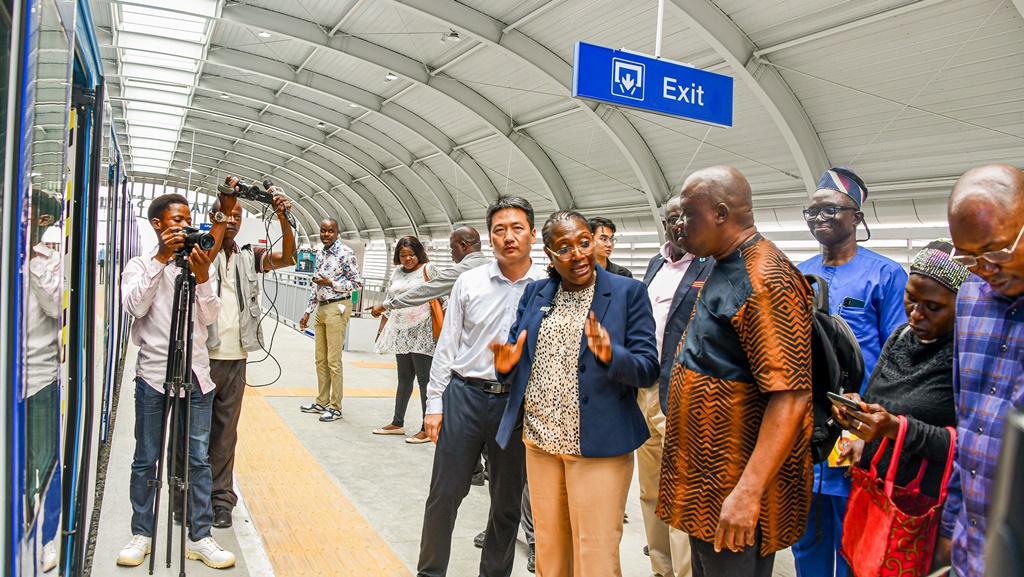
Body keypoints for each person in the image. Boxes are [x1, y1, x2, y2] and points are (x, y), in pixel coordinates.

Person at [657, 166, 814, 577]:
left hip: (732, 485)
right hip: (706, 481)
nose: (680, 224)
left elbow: (791, 394)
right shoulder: (725, 263)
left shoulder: (766, 279)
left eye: (688, 214)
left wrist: (747, 493)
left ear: (722, 213)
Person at [493, 209, 659, 576]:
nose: (579, 254)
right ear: (550, 256)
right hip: (541, 443)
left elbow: (648, 369)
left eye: (584, 242)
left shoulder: (628, 292)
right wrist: (505, 364)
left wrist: (612, 354)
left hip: (598, 446)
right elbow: (515, 352)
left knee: (595, 553)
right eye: (564, 248)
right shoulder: (537, 292)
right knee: (550, 550)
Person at [417, 196, 546, 577]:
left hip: (516, 407)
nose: (509, 237)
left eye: (517, 228)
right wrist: (434, 404)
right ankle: (430, 572)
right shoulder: (469, 282)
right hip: (465, 397)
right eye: (499, 230)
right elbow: (448, 344)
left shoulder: (546, 287)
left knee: (505, 504)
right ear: (490, 239)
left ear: (533, 235)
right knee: (444, 495)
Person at [793, 166, 909, 577]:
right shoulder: (798, 273)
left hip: (857, 421)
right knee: (805, 531)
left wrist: (873, 415)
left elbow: (898, 354)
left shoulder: (885, 274)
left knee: (851, 530)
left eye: (831, 210)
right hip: (804, 420)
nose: (819, 218)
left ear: (857, 217)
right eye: (811, 212)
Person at [832, 240, 968, 567]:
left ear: (963, 305)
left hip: (919, 506)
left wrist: (896, 428)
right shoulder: (900, 337)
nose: (916, 313)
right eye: (911, 298)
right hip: (874, 489)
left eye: (932, 307)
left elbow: (966, 444)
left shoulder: (963, 357)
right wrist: (858, 410)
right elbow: (880, 399)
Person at [117, 193, 234, 569]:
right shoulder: (139, 264)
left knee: (198, 460)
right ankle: (143, 534)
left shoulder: (202, 261)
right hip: (152, 375)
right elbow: (134, 306)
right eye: (176, 221)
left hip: (196, 375)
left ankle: (200, 538)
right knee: (145, 459)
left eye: (187, 220)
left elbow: (210, 314)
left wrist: (201, 279)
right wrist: (160, 261)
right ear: (158, 225)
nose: (184, 227)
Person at [941, 164, 1024, 577]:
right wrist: (951, 521)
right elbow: (967, 421)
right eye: (969, 257)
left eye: (996, 251)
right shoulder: (971, 295)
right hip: (971, 550)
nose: (985, 269)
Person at [199, 180, 296, 529]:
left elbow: (287, 257)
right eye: (229, 214)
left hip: (235, 357)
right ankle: (191, 495)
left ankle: (221, 499)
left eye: (239, 216)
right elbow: (203, 267)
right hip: (200, 358)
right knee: (194, 432)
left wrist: (285, 218)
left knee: (225, 434)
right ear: (216, 215)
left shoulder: (248, 256)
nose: (235, 220)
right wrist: (222, 214)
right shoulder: (200, 251)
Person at [638, 196, 714, 577]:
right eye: (672, 219)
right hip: (644, 389)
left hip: (680, 392)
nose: (679, 226)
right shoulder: (655, 263)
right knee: (650, 488)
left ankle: (686, 572)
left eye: (685, 218)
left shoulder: (711, 264)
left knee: (680, 490)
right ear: (664, 223)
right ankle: (661, 568)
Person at [371, 236, 442, 444]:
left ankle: (426, 428)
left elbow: (442, 298)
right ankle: (397, 422)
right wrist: (382, 328)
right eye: (403, 255)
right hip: (401, 330)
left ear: (419, 252)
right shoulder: (396, 272)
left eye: (411, 254)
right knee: (403, 378)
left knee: (424, 380)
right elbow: (388, 300)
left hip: (423, 330)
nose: (408, 259)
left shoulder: (429, 269)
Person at [298, 218, 362, 422]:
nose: (326, 234)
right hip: (321, 307)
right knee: (320, 359)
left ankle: (336, 407)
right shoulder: (320, 253)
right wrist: (308, 311)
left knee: (334, 360)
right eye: (323, 231)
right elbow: (316, 285)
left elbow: (356, 283)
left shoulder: (345, 253)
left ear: (337, 232)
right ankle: (321, 401)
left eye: (330, 231)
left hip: (338, 306)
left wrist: (331, 283)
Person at [371, 226, 488, 316]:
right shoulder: (495, 267)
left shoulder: (458, 272)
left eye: (452, 247)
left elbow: (425, 291)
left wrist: (386, 305)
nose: (451, 252)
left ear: (463, 246)